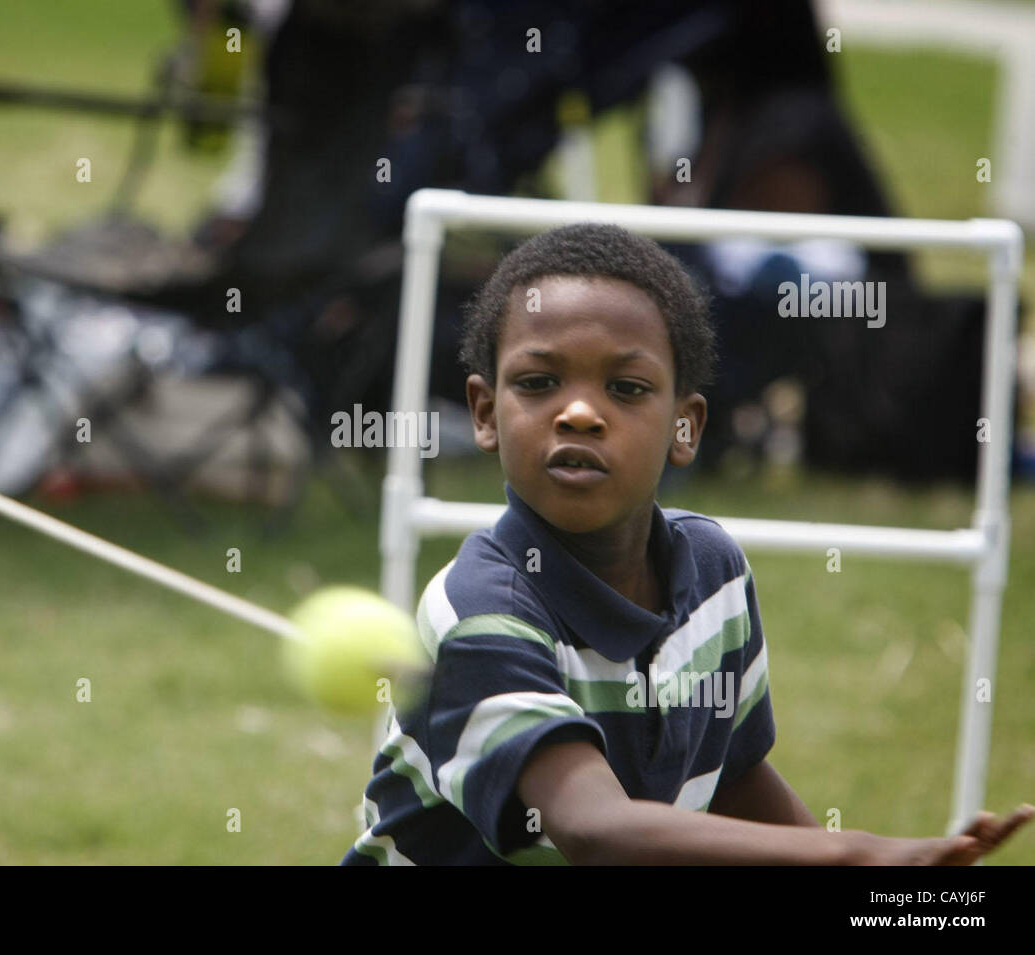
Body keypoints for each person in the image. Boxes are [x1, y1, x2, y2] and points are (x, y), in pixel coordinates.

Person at [341, 223, 1033, 865]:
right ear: (486, 413)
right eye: (538, 382)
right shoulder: (480, 611)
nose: (579, 411)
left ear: (686, 427)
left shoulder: (713, 573)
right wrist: (857, 851)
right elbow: (593, 826)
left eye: (626, 387)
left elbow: (733, 776)